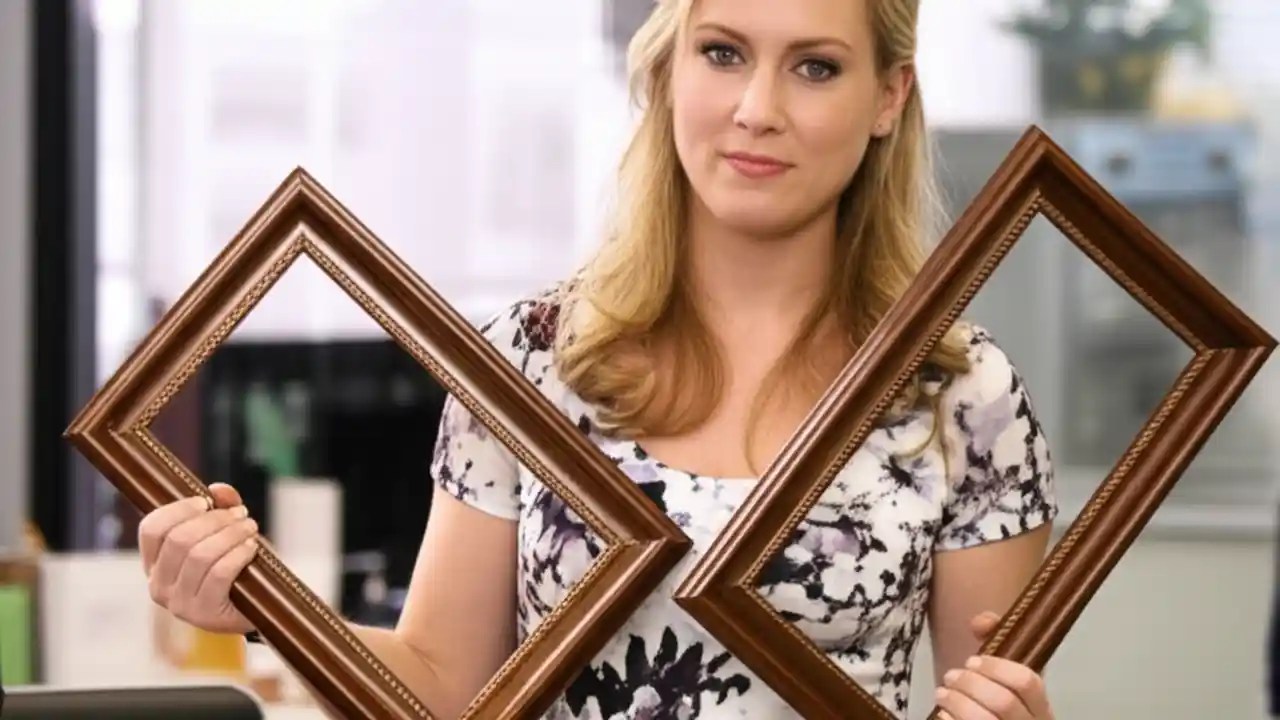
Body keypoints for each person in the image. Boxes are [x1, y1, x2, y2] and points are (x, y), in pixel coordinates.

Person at [136, 1, 1059, 718]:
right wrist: (264, 602)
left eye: (815, 67)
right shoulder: (529, 363)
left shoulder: (964, 396)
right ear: (667, 67)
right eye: (723, 52)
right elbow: (443, 687)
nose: (756, 110)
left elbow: (979, 696)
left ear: (888, 98)